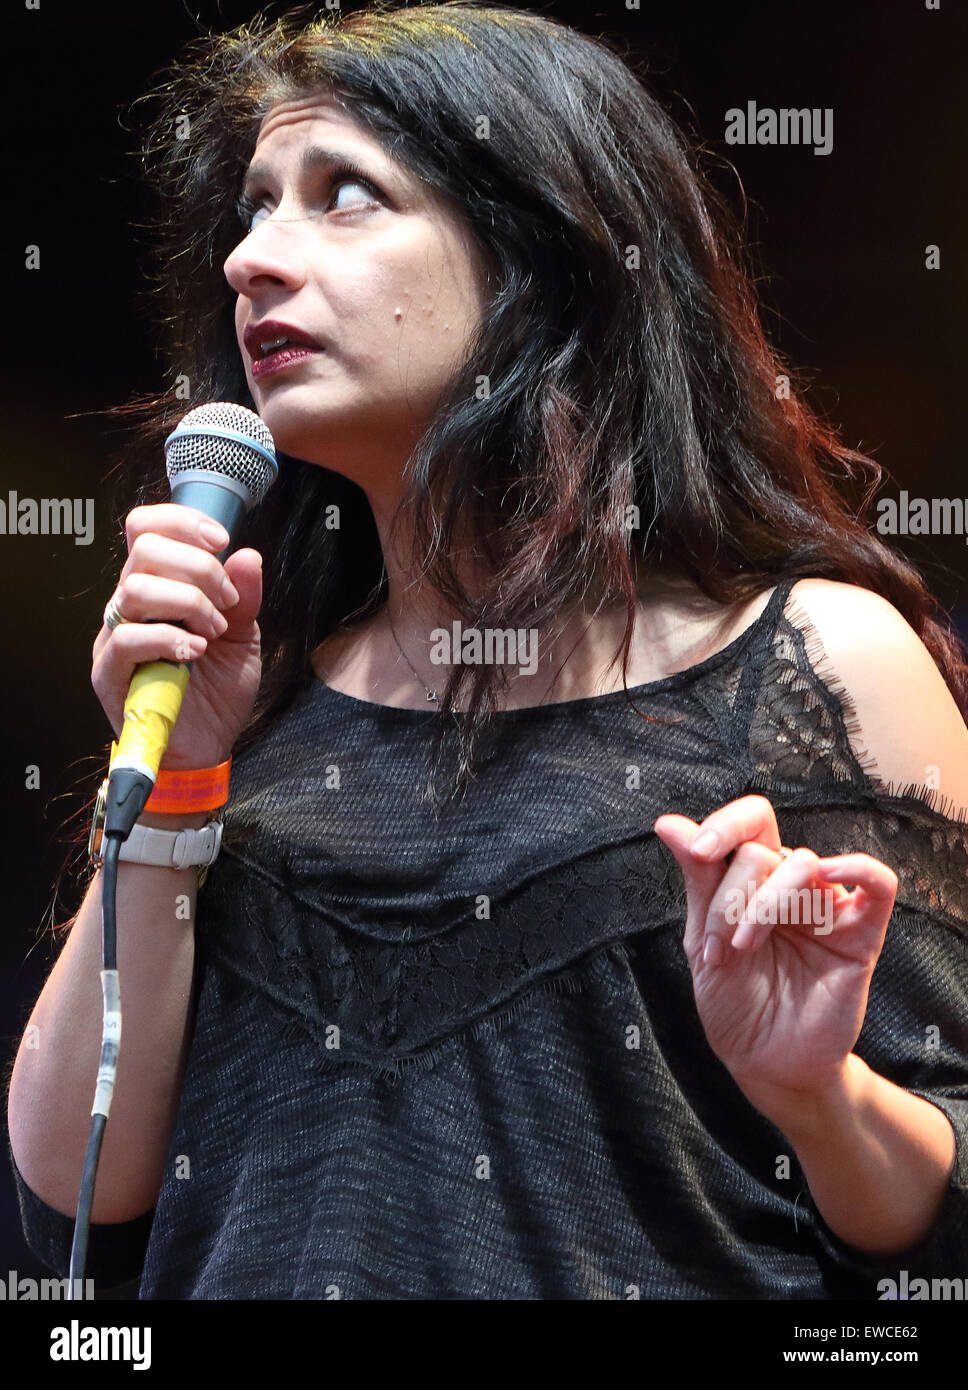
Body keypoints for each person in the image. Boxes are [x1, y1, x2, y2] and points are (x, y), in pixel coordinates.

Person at [7, 2, 968, 1300]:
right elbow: (75, 1192)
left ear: (547, 256)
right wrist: (175, 783)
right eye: (252, 208)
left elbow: (944, 1209)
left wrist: (818, 1094)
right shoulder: (254, 681)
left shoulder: (812, 658)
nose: (253, 258)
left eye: (344, 194)